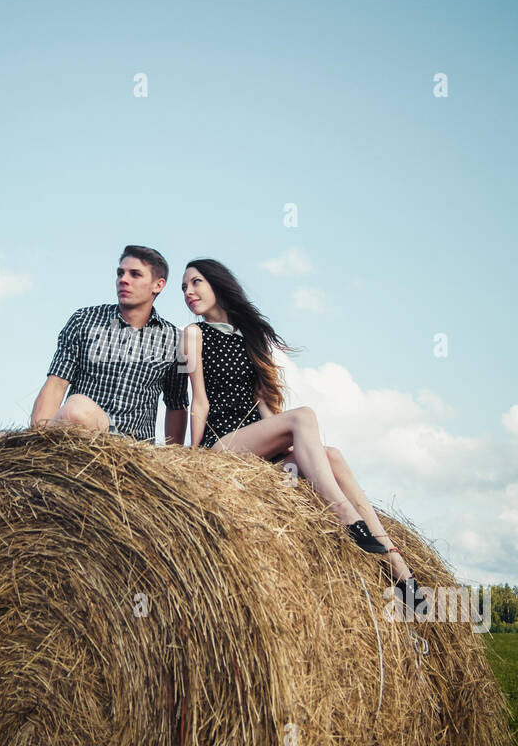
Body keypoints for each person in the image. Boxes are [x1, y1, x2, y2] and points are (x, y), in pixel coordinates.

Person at [181, 257, 425, 605]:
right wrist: (192, 461)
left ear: (217, 284)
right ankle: (343, 513)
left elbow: (264, 406)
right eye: (184, 287)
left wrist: (295, 448)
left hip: (256, 448)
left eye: (196, 282)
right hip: (221, 445)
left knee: (333, 456)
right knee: (304, 416)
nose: (189, 292)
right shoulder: (193, 334)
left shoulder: (250, 337)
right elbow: (199, 401)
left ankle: (399, 570)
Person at [0, 245, 188, 449]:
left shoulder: (174, 340)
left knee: (76, 409)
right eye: (120, 273)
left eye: (135, 274)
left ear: (158, 285)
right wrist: (35, 442)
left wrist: (172, 459)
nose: (123, 279)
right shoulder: (85, 320)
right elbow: (56, 383)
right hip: (75, 434)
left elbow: (176, 405)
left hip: (131, 445)